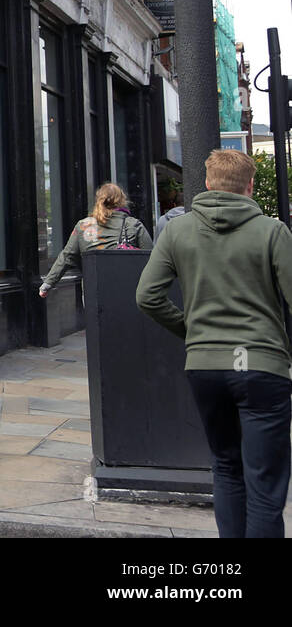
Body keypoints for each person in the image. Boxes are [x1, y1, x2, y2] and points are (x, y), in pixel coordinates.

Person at [136, 149, 292, 538]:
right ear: (250, 186)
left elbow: (147, 297)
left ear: (207, 183)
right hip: (261, 366)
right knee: (265, 482)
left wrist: (193, 332)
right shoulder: (272, 232)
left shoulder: (177, 230)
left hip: (206, 366)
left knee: (225, 467)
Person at [39, 182, 151, 299]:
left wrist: (47, 284)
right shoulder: (133, 224)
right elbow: (151, 258)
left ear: (98, 200)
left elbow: (67, 256)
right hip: (127, 289)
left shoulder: (83, 225)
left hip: (93, 291)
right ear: (122, 201)